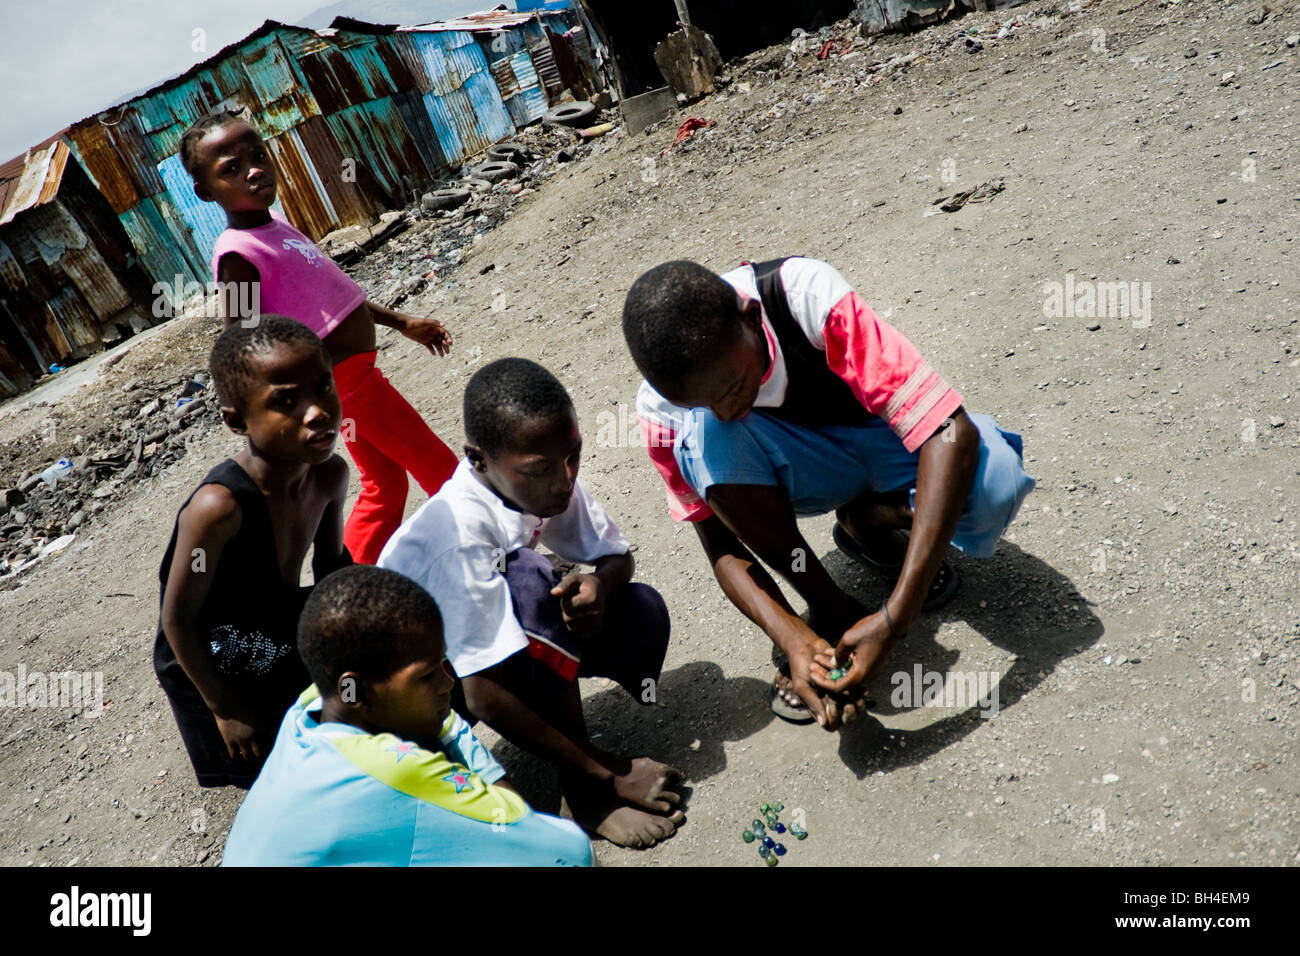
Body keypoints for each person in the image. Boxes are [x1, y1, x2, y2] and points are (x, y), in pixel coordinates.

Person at [622, 257, 1035, 730]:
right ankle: (830, 605)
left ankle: (870, 519)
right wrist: (794, 637)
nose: (727, 408)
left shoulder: (802, 297)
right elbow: (720, 546)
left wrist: (897, 615)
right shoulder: (659, 411)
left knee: (993, 479)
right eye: (699, 403)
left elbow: (946, 430)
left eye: (733, 387)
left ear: (751, 318)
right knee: (707, 438)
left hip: (887, 439)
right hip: (797, 476)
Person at [378, 358, 684, 849]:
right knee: (528, 578)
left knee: (637, 609)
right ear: (478, 459)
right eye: (541, 470)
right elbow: (480, 692)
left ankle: (577, 772)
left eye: (574, 456)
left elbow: (617, 556)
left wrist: (600, 586)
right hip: (409, 707)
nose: (565, 481)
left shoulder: (540, 479)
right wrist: (607, 770)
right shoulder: (459, 532)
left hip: (468, 663)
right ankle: (586, 792)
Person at [179, 110, 458, 563]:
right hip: (349, 384)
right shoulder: (239, 253)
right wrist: (247, 410)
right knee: (444, 471)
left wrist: (402, 322)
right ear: (206, 191)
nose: (253, 170)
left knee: (385, 485)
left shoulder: (276, 229)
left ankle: (344, 586)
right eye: (231, 168)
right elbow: (240, 340)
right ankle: (504, 560)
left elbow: (336, 298)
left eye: (258, 155)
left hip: (350, 380)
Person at [222, 565, 593, 866]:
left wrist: (446, 727)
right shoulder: (396, 772)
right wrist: (491, 787)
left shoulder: (306, 711)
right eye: (425, 676)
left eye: (444, 665)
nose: (450, 683)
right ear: (356, 690)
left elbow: (444, 724)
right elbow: (568, 851)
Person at [155, 317, 351, 788]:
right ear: (237, 420)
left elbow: (330, 568)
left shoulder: (328, 476)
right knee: (275, 772)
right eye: (285, 401)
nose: (316, 411)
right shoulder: (218, 509)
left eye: (322, 387)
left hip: (275, 620)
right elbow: (178, 620)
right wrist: (225, 708)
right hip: (216, 653)